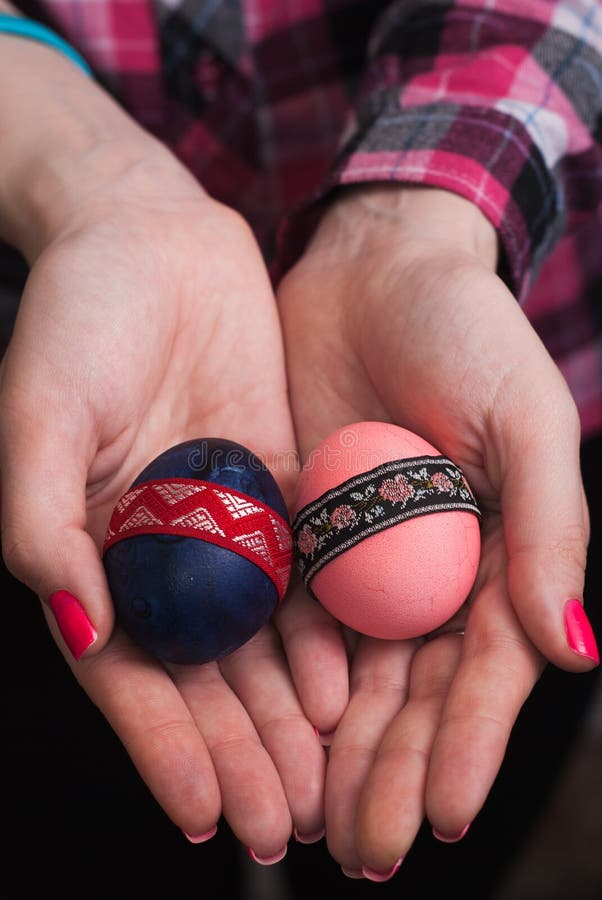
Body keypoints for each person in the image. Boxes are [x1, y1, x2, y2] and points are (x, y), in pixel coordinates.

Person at [0, 0, 600, 896]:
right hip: (80, 397)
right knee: (88, 831)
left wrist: (416, 220)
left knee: (431, 829)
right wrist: (79, 169)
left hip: (485, 380)